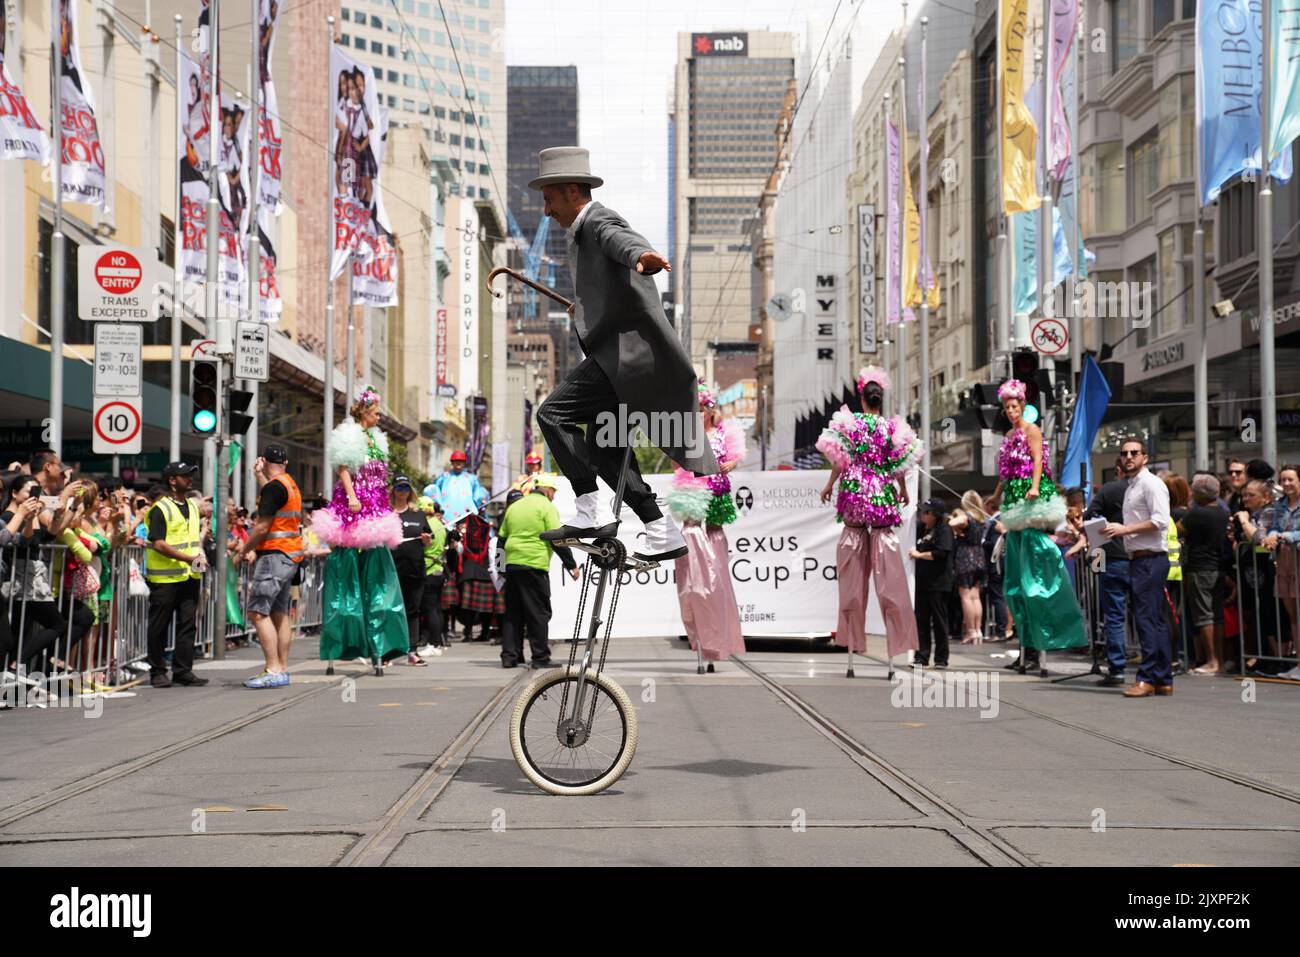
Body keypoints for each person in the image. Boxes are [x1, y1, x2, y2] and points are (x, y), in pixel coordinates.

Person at [529, 147, 718, 562]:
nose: (546, 211)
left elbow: (622, 239)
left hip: (625, 362)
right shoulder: (580, 232)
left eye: (550, 199)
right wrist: (587, 307)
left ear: (573, 190)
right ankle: (659, 528)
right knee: (602, 448)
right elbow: (610, 290)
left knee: (552, 414)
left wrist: (641, 256)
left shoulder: (598, 219)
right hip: (625, 362)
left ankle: (588, 510)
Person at [816, 367, 921, 666]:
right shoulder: (891, 429)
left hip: (854, 502)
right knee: (890, 582)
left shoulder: (849, 425)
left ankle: (851, 642)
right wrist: (902, 491)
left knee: (852, 580)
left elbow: (840, 460)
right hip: (882, 502)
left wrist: (828, 485)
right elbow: (899, 466)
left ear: (862, 400)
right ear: (880, 401)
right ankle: (896, 646)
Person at [989, 379, 1085, 676]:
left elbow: (1038, 462)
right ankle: (1027, 650)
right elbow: (1006, 472)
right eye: (1007, 407)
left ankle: (1040, 648)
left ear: (1022, 406)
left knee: (1032, 584)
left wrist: (1033, 489)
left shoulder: (1032, 430)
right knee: (1016, 586)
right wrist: (996, 495)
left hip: (1030, 502)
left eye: (1015, 406)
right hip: (1015, 503)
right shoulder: (1008, 435)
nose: (1011, 410)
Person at [312, 387, 408, 666]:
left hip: (375, 508)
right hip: (354, 509)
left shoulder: (377, 439)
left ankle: (381, 644)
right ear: (365, 412)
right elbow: (343, 466)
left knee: (379, 584)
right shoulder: (350, 434)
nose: (379, 417)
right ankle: (345, 645)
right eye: (376, 413)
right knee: (347, 586)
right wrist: (352, 495)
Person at [666, 385, 747, 672]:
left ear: (710, 410)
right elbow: (675, 464)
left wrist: (728, 465)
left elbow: (735, 458)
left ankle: (717, 641)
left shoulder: (725, 433)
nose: (698, 413)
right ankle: (700, 640)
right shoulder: (687, 435)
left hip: (715, 507)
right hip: (692, 507)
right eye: (695, 409)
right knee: (694, 584)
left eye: (702, 408)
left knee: (715, 580)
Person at [1103, 439, 1173, 697]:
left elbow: (1160, 521)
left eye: (1134, 453)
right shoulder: (1134, 485)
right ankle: (1163, 679)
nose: (1129, 457)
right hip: (1140, 558)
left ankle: (1147, 678)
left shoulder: (1151, 484)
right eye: (1124, 453)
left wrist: (1125, 529)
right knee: (1153, 620)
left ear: (1145, 457)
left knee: (1146, 620)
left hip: (1150, 559)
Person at [237, 445, 303, 688]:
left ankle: (273, 669)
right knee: (279, 613)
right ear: (285, 462)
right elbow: (273, 494)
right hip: (290, 557)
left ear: (264, 460)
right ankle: (282, 668)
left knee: (258, 612)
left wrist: (243, 550)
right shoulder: (288, 484)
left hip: (274, 556)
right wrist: (259, 476)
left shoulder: (275, 488)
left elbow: (262, 527)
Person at [497, 475, 579, 669]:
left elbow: (501, 540)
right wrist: (571, 565)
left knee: (512, 614)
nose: (554, 497)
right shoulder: (547, 507)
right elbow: (556, 538)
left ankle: (510, 656)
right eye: (554, 493)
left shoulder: (514, 507)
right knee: (539, 613)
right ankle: (540, 657)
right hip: (534, 564)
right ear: (548, 490)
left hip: (512, 565)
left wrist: (501, 567)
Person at [143, 462, 209, 688]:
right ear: (172, 480)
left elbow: (192, 539)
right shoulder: (160, 509)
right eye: (185, 476)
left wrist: (199, 555)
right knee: (159, 626)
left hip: (189, 575)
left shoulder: (191, 505)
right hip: (165, 578)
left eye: (191, 475)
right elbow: (159, 544)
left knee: (188, 624)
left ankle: (183, 671)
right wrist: (189, 559)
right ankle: (158, 671)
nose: (190, 479)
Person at [1085, 455, 1134, 687]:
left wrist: (1098, 539)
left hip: (1114, 556)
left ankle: (1117, 669)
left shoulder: (1110, 489)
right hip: (1142, 556)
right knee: (1146, 615)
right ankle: (1154, 667)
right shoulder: (1150, 486)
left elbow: (1089, 516)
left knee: (1115, 615)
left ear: (1118, 470)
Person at [1181, 473, 1229, 676]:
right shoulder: (1222, 511)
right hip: (1217, 567)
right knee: (1216, 615)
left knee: (1203, 616)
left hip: (1199, 567)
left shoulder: (1197, 514)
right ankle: (1219, 659)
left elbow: (1177, 530)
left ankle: (1211, 660)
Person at [1258, 464, 1300, 680]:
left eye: (1290, 479)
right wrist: (1272, 536)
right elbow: (1275, 526)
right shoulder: (1280, 505)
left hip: (1298, 558)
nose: (1286, 484)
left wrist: (1286, 537)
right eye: (1283, 480)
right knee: (1293, 615)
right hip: (1284, 561)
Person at [388, 476, 432, 667]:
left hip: (415, 570)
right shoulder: (386, 514)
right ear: (393, 490)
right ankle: (388, 651)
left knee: (412, 610)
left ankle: (412, 651)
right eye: (399, 487)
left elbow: (428, 539)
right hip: (391, 571)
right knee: (390, 610)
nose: (402, 491)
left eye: (406, 487)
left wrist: (426, 539)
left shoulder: (418, 514)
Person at [911, 499, 955, 668]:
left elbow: (941, 553)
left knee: (939, 621)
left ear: (935, 515)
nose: (923, 514)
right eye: (923, 511)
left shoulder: (944, 530)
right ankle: (921, 656)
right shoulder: (921, 529)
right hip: (921, 581)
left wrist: (919, 555)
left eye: (927, 512)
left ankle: (941, 658)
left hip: (938, 582)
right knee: (921, 620)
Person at [949, 490, 987, 644]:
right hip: (979, 556)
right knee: (976, 596)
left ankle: (970, 631)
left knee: (965, 596)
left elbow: (951, 523)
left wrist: (954, 522)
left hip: (965, 557)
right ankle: (978, 630)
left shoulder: (966, 517)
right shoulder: (981, 518)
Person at [416, 497, 447, 656]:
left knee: (429, 610)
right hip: (439, 569)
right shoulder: (439, 523)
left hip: (428, 569)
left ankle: (433, 644)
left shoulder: (425, 525)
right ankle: (438, 642)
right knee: (435, 608)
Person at [425, 450, 488, 526]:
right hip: (446, 519)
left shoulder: (471, 479)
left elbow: (479, 495)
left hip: (468, 519)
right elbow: (433, 491)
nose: (458, 463)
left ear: (464, 463)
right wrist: (437, 509)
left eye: (460, 461)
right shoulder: (443, 478)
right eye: (456, 461)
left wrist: (482, 502)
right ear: (452, 462)